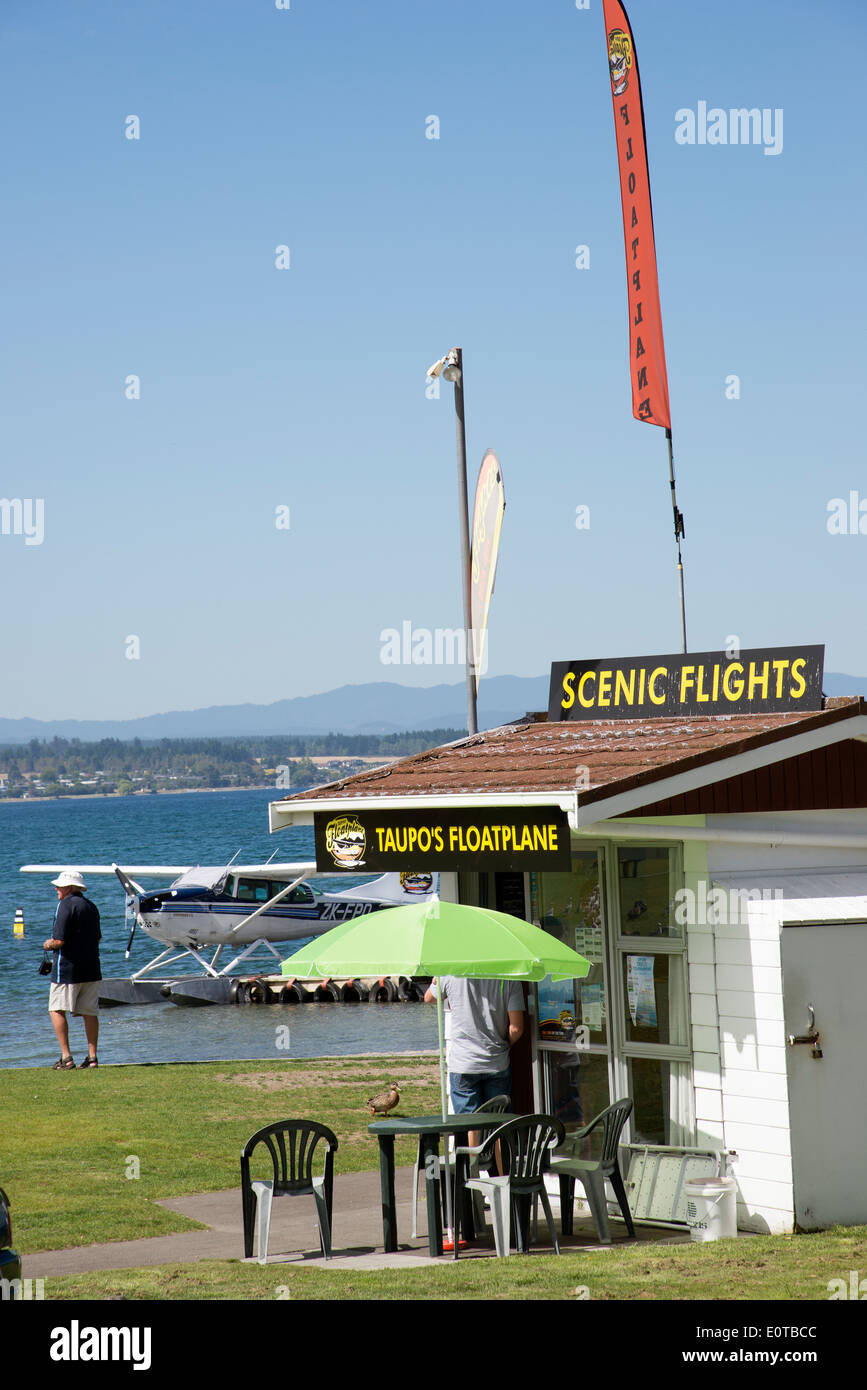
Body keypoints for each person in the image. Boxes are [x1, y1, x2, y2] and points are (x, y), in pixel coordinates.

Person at [424, 976, 525, 1117]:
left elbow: (429, 998)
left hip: (463, 1063)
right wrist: (505, 1046)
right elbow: (516, 1028)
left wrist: (437, 979)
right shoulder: (509, 978)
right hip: (496, 1061)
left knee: (470, 1124)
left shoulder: (449, 973)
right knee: (499, 1121)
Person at [43, 871, 102, 1070]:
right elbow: (98, 938)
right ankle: (92, 1057)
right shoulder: (91, 906)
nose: (56, 889)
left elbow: (59, 940)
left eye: (59, 886)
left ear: (68, 887)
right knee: (89, 1012)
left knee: (56, 1009)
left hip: (67, 970)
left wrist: (48, 945)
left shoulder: (65, 905)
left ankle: (66, 1057)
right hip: (92, 967)